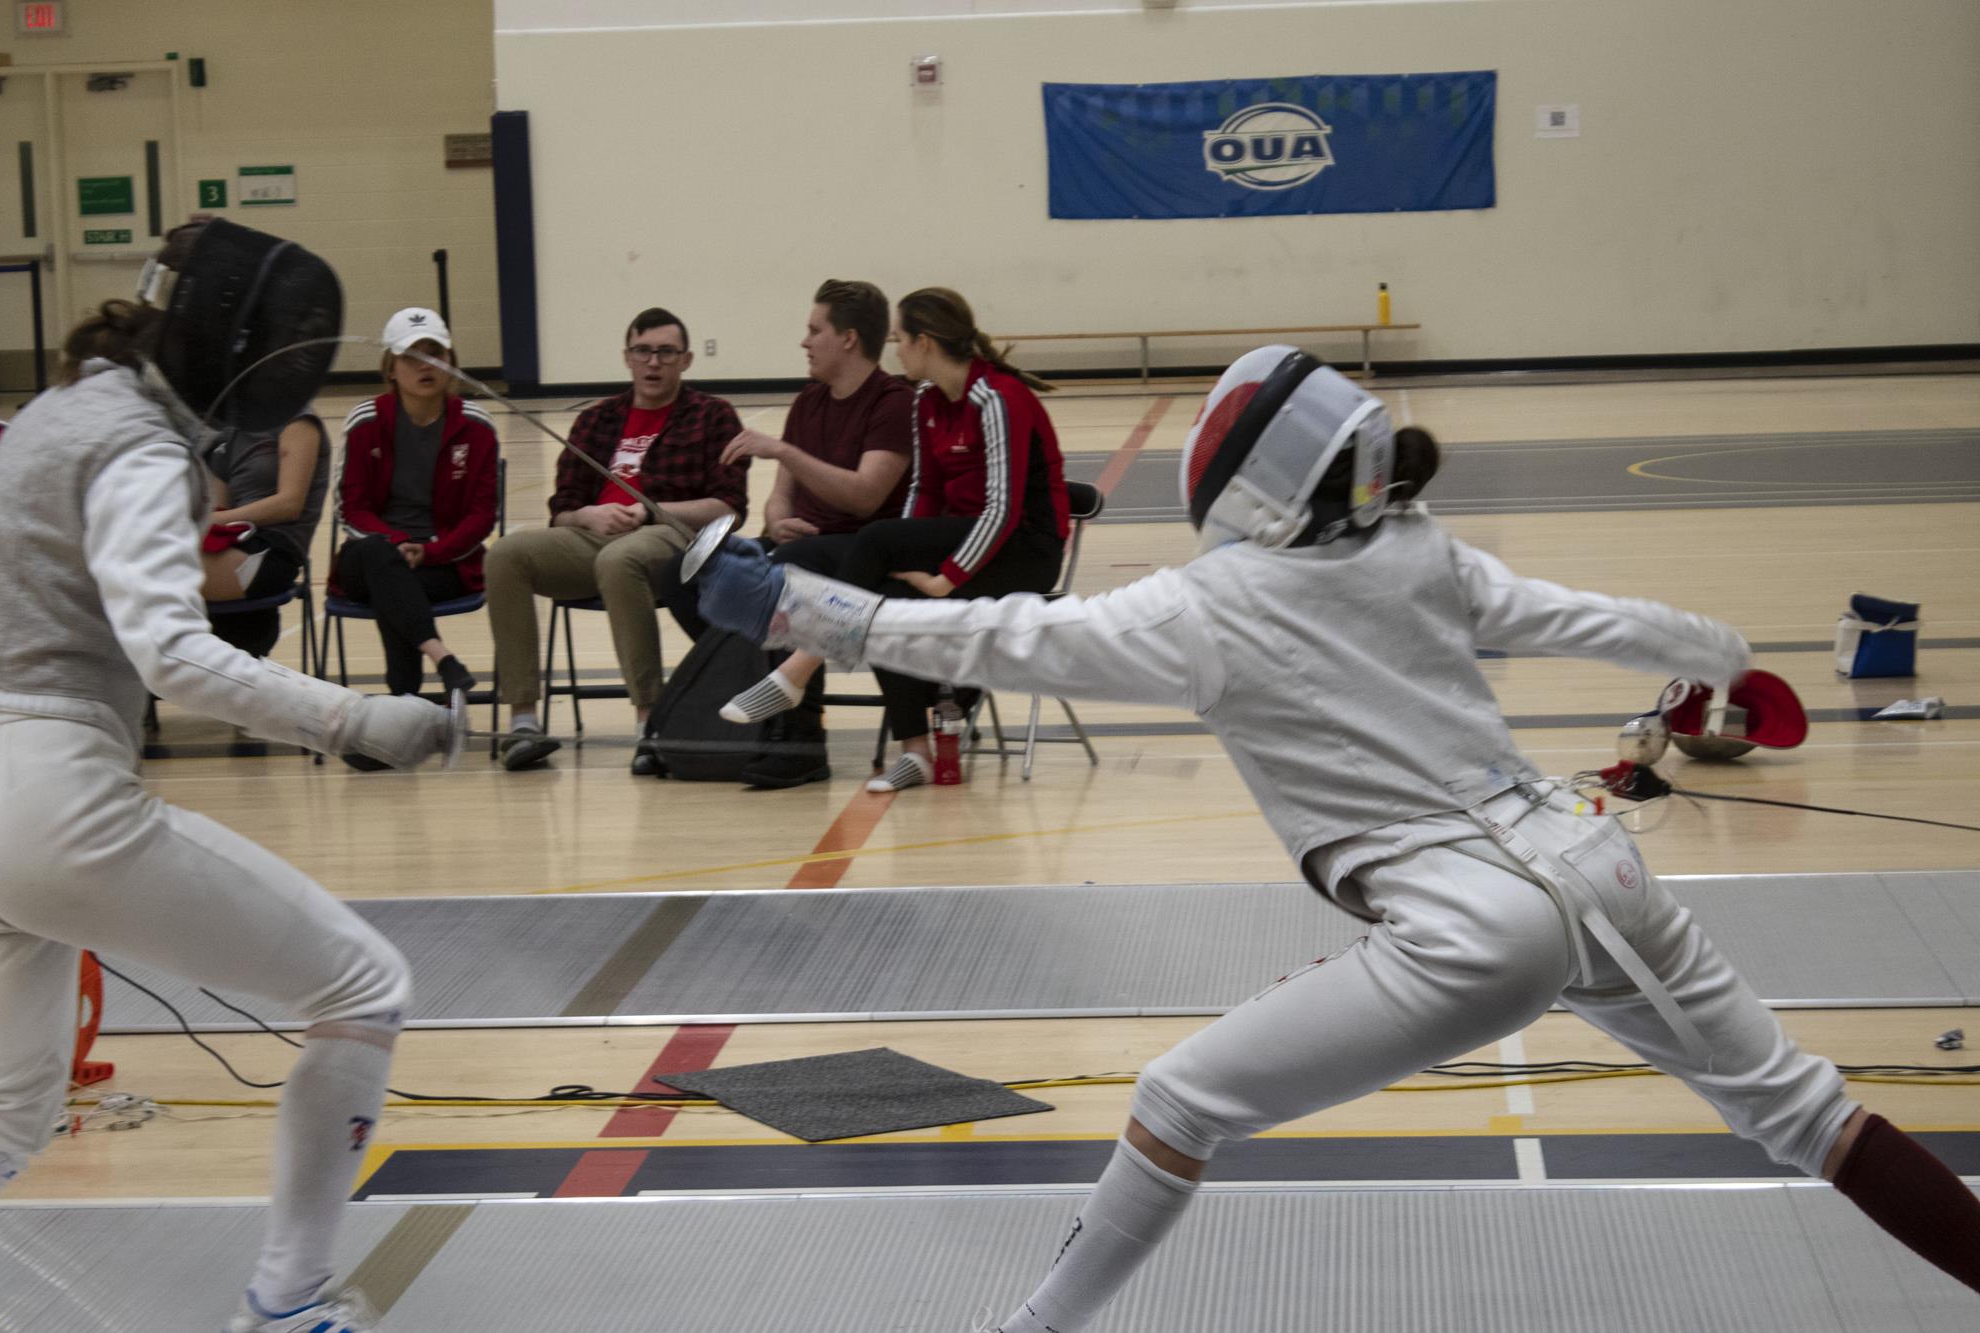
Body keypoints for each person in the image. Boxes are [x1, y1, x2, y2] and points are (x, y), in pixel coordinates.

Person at [696, 346, 1980, 1328]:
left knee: (1174, 1101)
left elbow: (993, 635)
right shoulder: (1421, 552)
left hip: (1473, 929)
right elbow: (1600, 618)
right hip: (1599, 862)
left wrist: (794, 601)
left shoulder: (1208, 605)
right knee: (1811, 1116)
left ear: (1242, 470)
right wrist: (1726, 667)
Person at [0, 218, 454, 1333]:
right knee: (362, 989)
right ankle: (287, 1303)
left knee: (5, 1106)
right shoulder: (139, 446)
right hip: (53, 801)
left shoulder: (60, 412)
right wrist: (356, 718)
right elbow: (173, 653)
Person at [719, 286, 1070, 792]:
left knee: (879, 544)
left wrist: (947, 579)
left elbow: (1002, 512)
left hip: (1025, 548)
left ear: (925, 342)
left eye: (901, 340)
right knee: (882, 595)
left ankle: (796, 671)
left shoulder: (996, 398)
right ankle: (916, 751)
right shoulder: (927, 400)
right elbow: (924, 491)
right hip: (965, 538)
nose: (896, 350)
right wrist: (904, 551)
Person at [669, 278, 910, 788]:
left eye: (813, 330)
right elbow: (781, 494)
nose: (804, 342)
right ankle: (752, 692)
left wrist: (782, 450)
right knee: (684, 572)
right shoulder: (810, 401)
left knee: (787, 572)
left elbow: (866, 495)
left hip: (863, 549)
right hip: (802, 542)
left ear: (847, 338)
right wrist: (777, 517)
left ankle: (802, 738)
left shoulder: (892, 401)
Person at [484, 307, 745, 775]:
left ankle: (652, 724)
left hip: (669, 534)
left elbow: (728, 507)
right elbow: (560, 509)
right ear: (627, 357)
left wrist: (648, 510)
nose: (653, 362)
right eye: (643, 351)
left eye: (666, 352)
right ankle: (523, 721)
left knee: (620, 561)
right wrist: (586, 514)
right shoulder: (596, 421)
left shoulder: (713, 416)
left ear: (685, 360)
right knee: (505, 555)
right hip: (592, 534)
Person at [331, 308, 495, 746]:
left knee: (397, 585)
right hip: (368, 557)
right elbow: (351, 509)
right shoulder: (365, 420)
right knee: (382, 557)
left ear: (451, 361)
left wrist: (431, 551)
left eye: (436, 354)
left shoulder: (476, 426)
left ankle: (400, 711)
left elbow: (482, 516)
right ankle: (442, 660)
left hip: (444, 563)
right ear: (390, 367)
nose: (426, 366)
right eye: (412, 356)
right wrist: (400, 542)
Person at [200, 411, 331, 659]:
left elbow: (289, 504)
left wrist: (207, 521)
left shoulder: (298, 422)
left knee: (147, 572)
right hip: (233, 546)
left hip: (274, 551)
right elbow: (219, 509)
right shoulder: (227, 434)